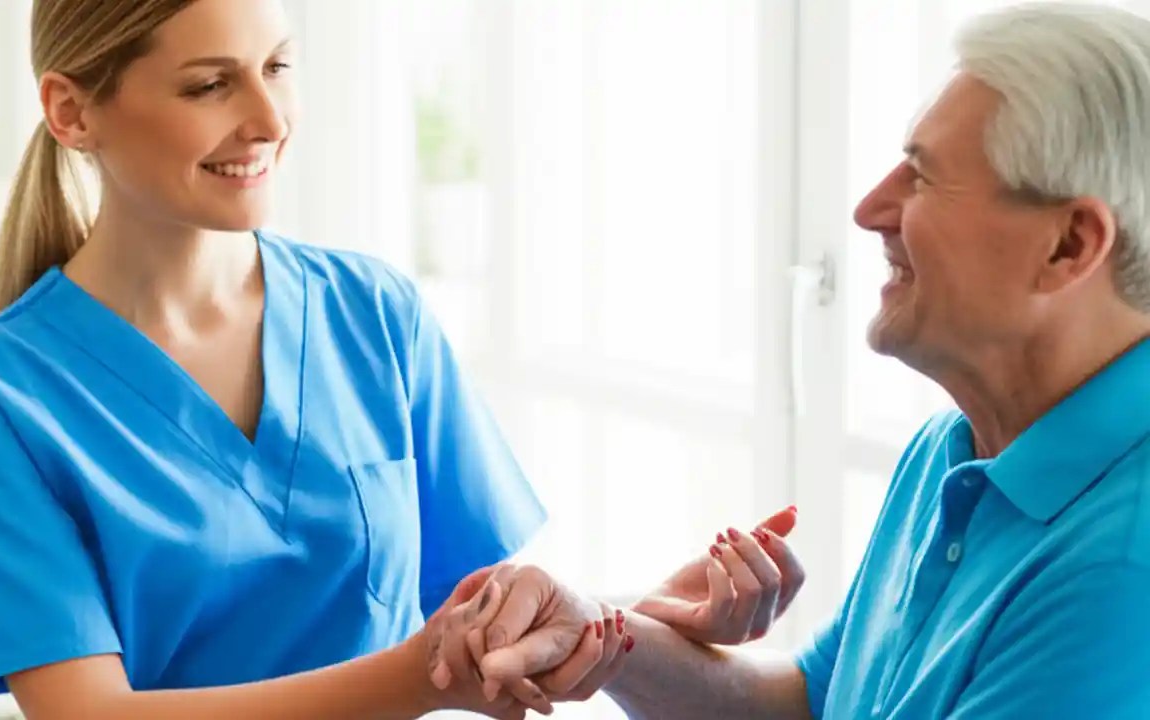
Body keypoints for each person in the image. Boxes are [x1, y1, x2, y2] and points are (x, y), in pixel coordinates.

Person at [436, 3, 1150, 718]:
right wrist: (602, 632)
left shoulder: (1122, 571)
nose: (871, 209)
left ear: (1069, 245)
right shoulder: (954, 447)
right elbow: (813, 703)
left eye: (923, 179)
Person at [0, 1, 626, 717]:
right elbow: (87, 714)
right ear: (72, 112)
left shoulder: (377, 314)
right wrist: (416, 678)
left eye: (277, 67)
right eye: (209, 85)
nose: (271, 120)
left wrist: (653, 627)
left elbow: (486, 622)